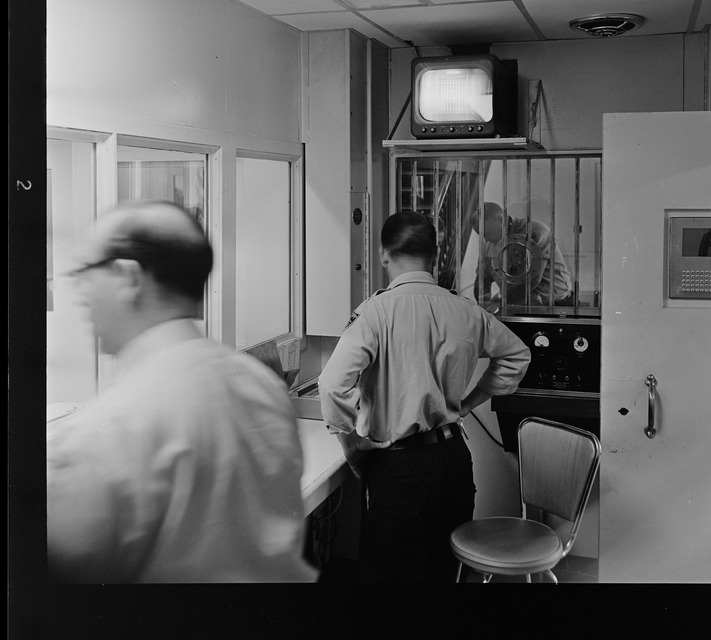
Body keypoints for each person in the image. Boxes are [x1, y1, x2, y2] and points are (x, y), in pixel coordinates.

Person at [47, 200, 317, 584]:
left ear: (129, 278)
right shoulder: (262, 384)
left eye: (85, 273)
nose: (79, 292)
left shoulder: (110, 431)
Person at [318, 210, 531, 583]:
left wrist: (351, 444)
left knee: (391, 577)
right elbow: (516, 356)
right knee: (444, 570)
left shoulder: (374, 315)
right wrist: (467, 403)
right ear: (434, 256)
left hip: (397, 467)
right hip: (452, 463)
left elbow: (332, 385)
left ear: (384, 254)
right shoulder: (466, 311)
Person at [472, 201, 573, 310]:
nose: (486, 239)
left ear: (501, 220)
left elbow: (532, 280)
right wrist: (488, 311)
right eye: (481, 235)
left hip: (555, 306)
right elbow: (482, 283)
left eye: (487, 233)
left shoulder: (536, 232)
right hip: (518, 307)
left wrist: (501, 299)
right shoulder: (488, 246)